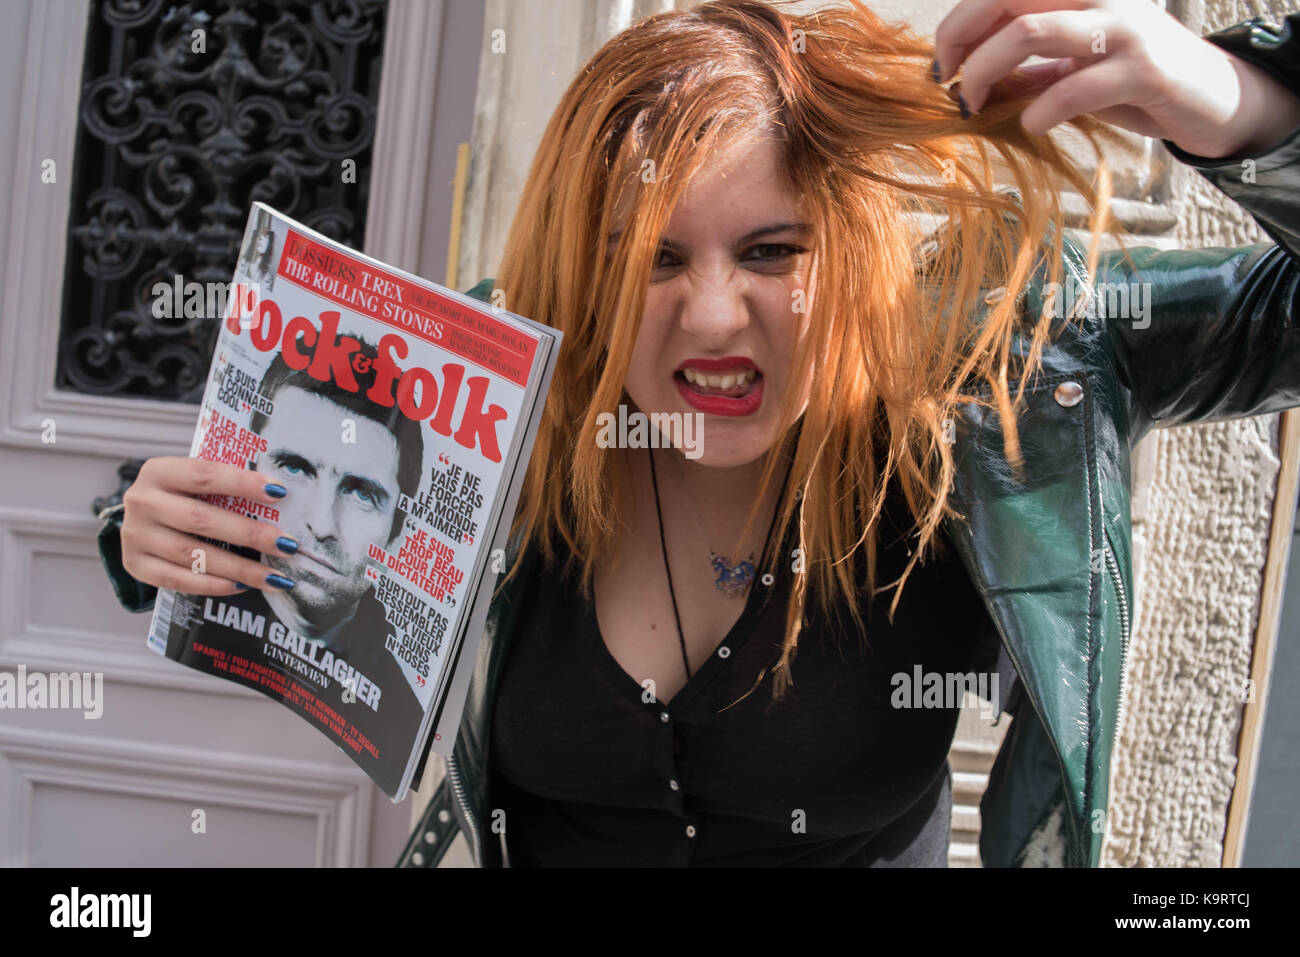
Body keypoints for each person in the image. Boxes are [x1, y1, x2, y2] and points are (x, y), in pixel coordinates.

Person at [98, 0, 1300, 866]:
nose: (714, 315)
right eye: (649, 260)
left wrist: (1237, 106)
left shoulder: (1000, 389)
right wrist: (140, 531)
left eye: (774, 251)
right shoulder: (482, 405)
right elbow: (213, 502)